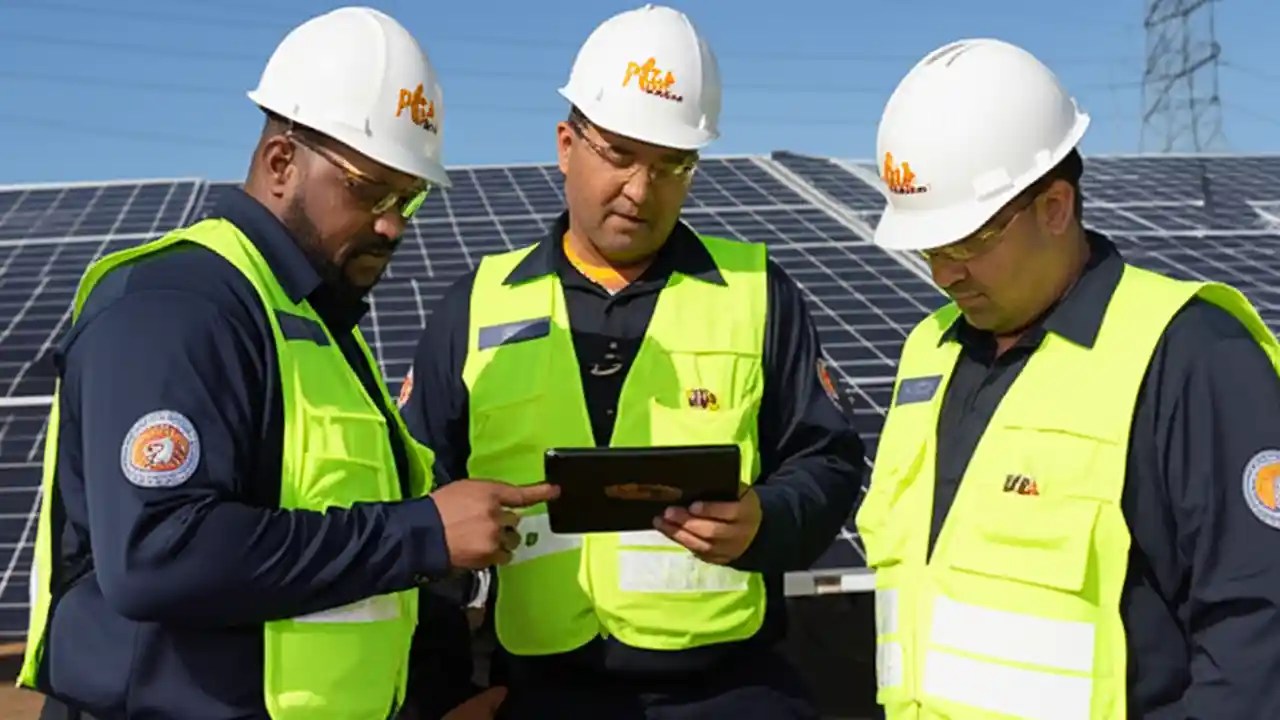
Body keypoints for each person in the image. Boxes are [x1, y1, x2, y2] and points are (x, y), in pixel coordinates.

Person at [16, 7, 556, 719]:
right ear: (280, 164)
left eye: (410, 197)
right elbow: (158, 553)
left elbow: (347, 573)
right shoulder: (178, 306)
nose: (393, 223)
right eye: (370, 189)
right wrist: (422, 533)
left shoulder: (314, 324)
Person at [396, 5, 866, 719]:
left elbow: (826, 460)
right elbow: (421, 508)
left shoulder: (759, 294)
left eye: (671, 164)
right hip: (541, 694)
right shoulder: (476, 306)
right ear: (566, 145)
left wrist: (767, 520)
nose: (641, 191)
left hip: (728, 692)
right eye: (619, 155)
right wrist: (441, 694)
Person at [855, 37, 1280, 719]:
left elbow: (1255, 642)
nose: (944, 273)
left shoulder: (1192, 356)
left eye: (967, 242)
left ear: (1055, 207)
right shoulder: (929, 351)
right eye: (929, 247)